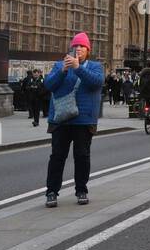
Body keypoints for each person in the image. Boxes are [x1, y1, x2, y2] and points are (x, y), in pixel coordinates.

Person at [43, 32, 105, 207]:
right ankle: (52, 192)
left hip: (84, 121)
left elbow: (96, 83)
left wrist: (78, 68)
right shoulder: (59, 66)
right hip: (61, 120)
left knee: (82, 156)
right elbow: (49, 85)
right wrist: (63, 70)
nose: (78, 49)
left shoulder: (95, 67)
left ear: (88, 50)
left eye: (82, 46)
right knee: (57, 157)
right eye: (75, 46)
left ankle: (81, 190)